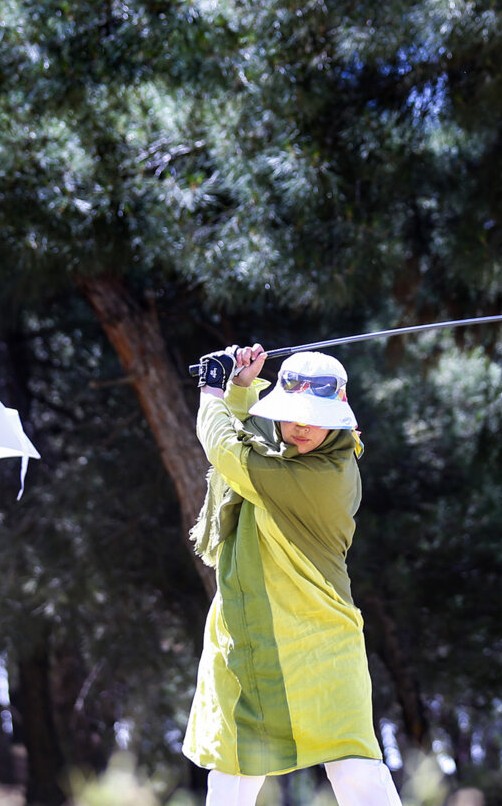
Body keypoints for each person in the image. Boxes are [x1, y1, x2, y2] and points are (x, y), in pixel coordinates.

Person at [184, 345, 403, 806]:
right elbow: (249, 439)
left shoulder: (324, 476)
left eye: (315, 416)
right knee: (232, 772)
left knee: (356, 768)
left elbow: (227, 450)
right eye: (291, 415)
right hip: (250, 637)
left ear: (340, 418)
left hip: (318, 639)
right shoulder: (290, 454)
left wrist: (211, 391)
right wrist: (240, 388)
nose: (301, 426)